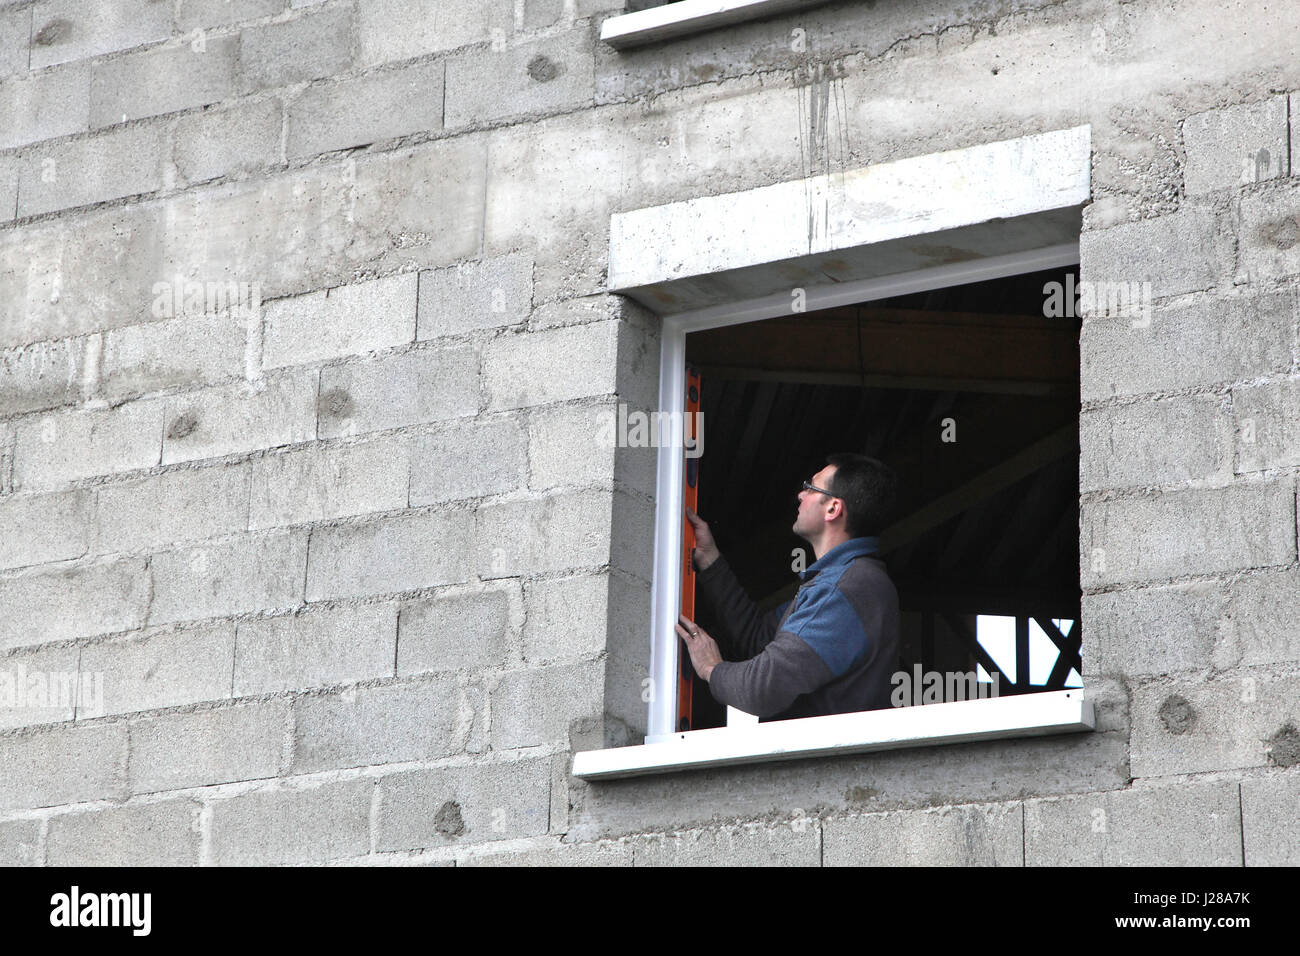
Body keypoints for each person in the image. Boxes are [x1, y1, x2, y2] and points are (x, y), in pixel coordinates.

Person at [675, 453, 900, 721]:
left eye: (811, 488)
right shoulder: (845, 581)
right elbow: (758, 639)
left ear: (833, 509)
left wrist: (711, 669)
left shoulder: (844, 588)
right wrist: (710, 560)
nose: (800, 496)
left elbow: (762, 688)